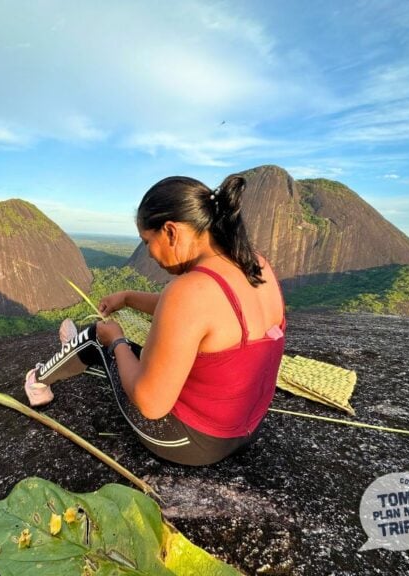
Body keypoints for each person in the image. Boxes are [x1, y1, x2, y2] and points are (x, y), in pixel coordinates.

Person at [25, 174, 286, 466]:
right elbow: (196, 318)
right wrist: (127, 297)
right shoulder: (255, 265)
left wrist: (117, 341)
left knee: (99, 336)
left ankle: (38, 382)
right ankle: (77, 351)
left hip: (190, 443)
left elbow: (151, 403)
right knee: (142, 347)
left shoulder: (188, 292)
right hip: (245, 429)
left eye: (148, 241)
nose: (148, 253)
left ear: (171, 231)